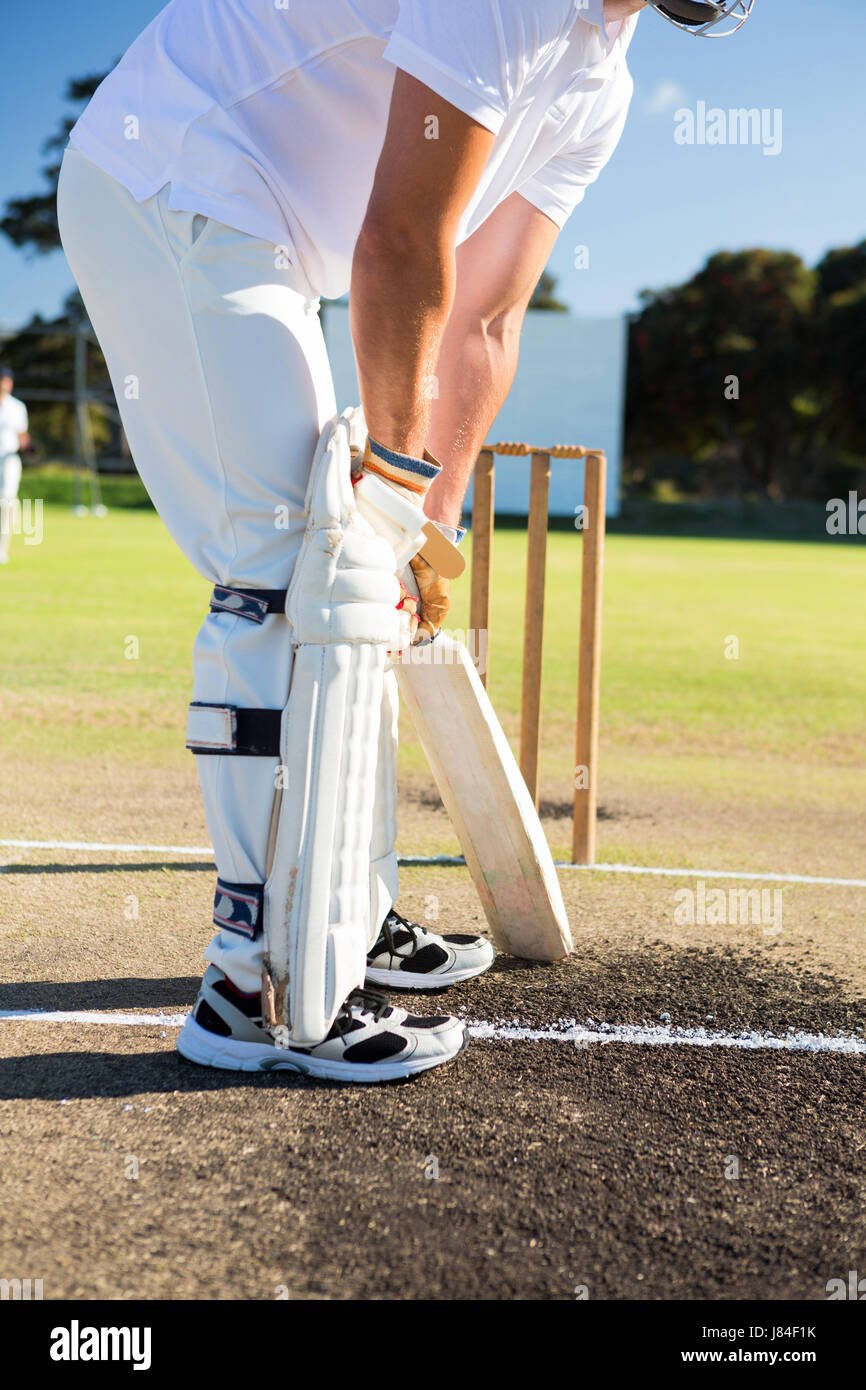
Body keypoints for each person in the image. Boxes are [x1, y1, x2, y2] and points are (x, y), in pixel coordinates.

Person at [56, 0, 754, 1083]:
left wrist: (429, 520)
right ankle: (252, 989)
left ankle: (343, 908)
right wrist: (388, 476)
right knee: (292, 569)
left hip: (271, 228)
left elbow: (483, 313)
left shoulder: (600, 86)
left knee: (362, 583)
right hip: (174, 172)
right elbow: (400, 237)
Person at [0, 367, 29, 565]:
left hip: (9, 459)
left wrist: (29, 447)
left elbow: (22, 436)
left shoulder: (17, 407)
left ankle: (2, 548)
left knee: (7, 501)